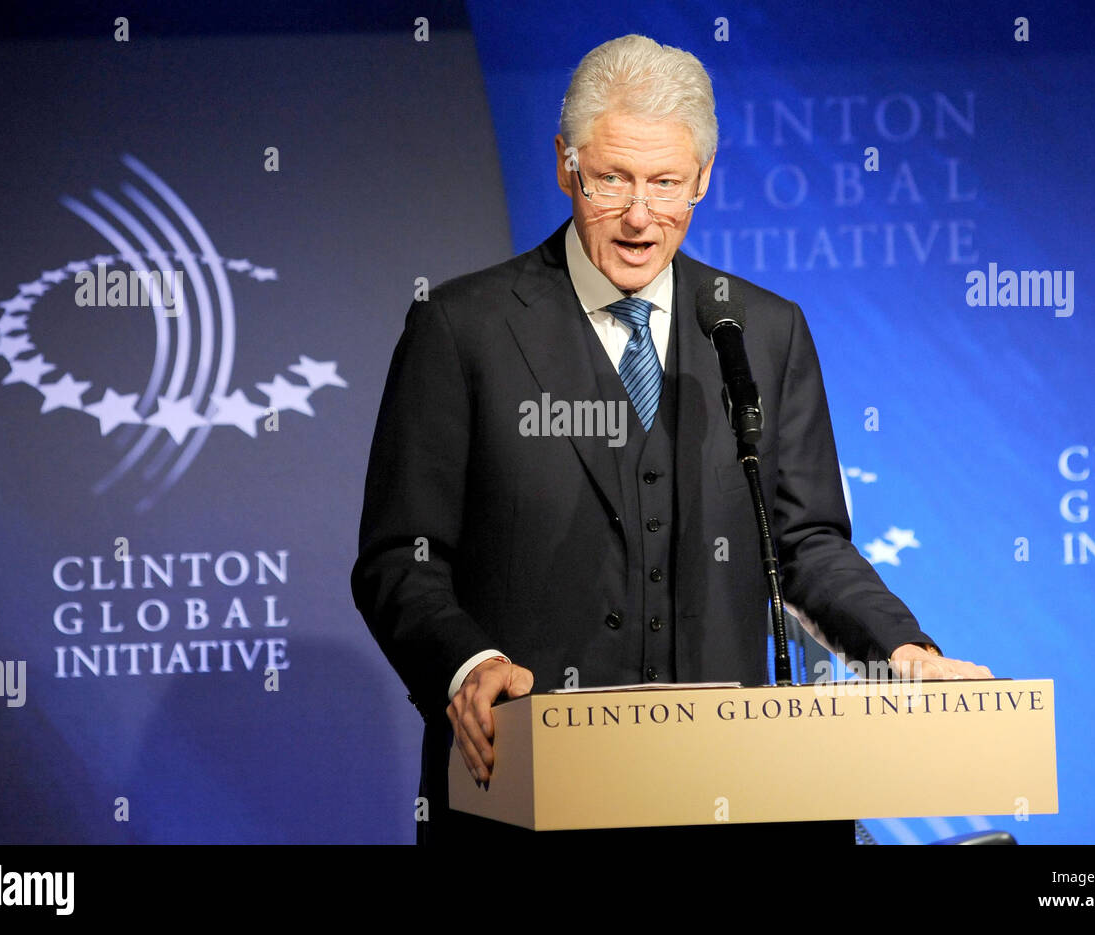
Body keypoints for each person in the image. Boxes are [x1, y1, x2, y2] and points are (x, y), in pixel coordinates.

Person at [351, 33, 991, 844]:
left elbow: (806, 543)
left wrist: (899, 646)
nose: (640, 216)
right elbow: (398, 559)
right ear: (565, 166)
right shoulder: (461, 331)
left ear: (703, 181)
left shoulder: (762, 331)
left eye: (666, 183)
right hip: (525, 796)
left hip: (724, 799)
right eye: (612, 179)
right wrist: (466, 665)